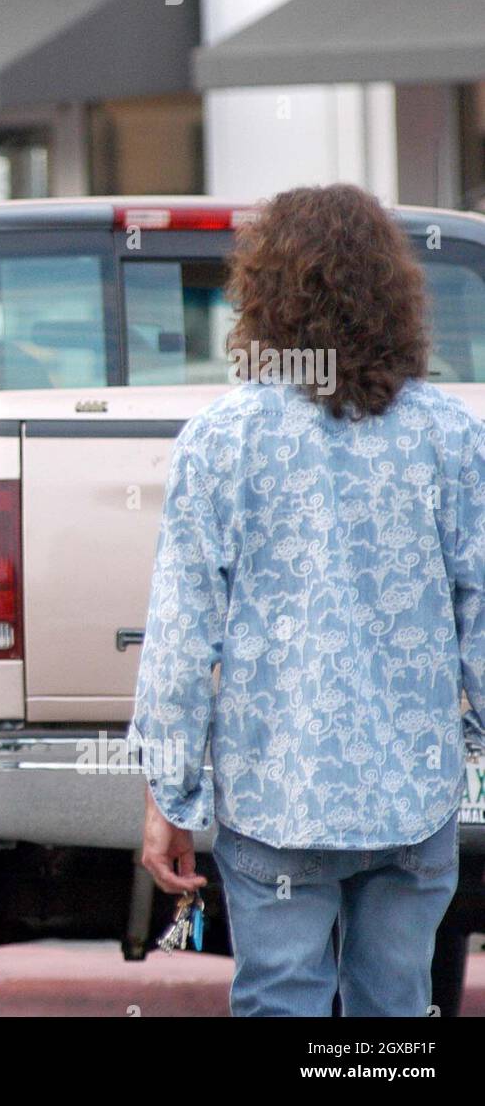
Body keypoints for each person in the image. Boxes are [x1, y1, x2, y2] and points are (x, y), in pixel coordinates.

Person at [130, 183, 484, 1016]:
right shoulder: (453, 438)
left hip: (274, 797)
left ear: (262, 295)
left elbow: (181, 638)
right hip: (413, 795)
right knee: (396, 1004)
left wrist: (168, 796)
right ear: (394, 295)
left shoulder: (222, 440)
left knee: (280, 998)